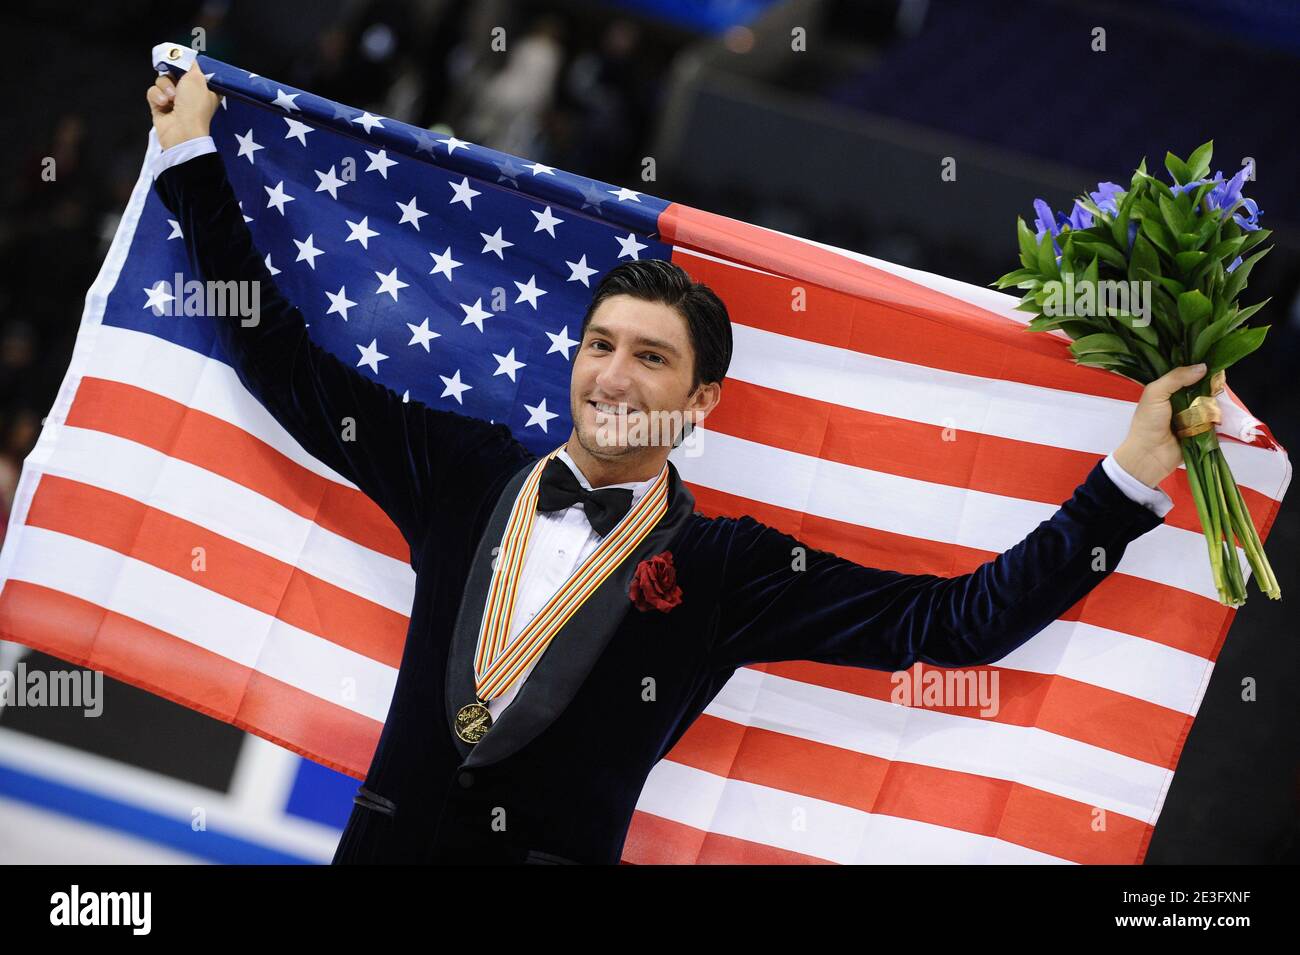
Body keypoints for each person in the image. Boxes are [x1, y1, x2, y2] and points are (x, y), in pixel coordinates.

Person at [146, 65, 1200, 864]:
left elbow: (952, 623)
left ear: (700, 404)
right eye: (599, 345)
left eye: (651, 358)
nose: (613, 376)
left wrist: (1127, 478)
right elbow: (285, 362)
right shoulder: (462, 470)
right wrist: (194, 157)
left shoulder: (729, 568)